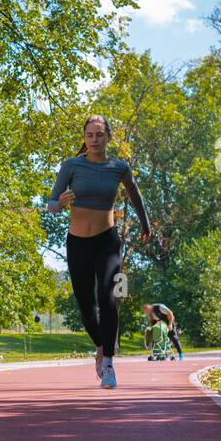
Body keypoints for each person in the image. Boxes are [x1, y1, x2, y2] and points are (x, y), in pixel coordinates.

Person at [47, 114, 150, 390]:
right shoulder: (71, 166)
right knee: (85, 307)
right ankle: (101, 346)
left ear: (109, 137)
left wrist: (145, 223)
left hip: (108, 240)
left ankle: (108, 364)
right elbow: (51, 203)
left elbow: (135, 194)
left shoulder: (119, 167)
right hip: (78, 242)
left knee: (108, 296)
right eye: (90, 135)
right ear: (84, 138)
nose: (94, 140)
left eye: (99, 135)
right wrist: (61, 202)